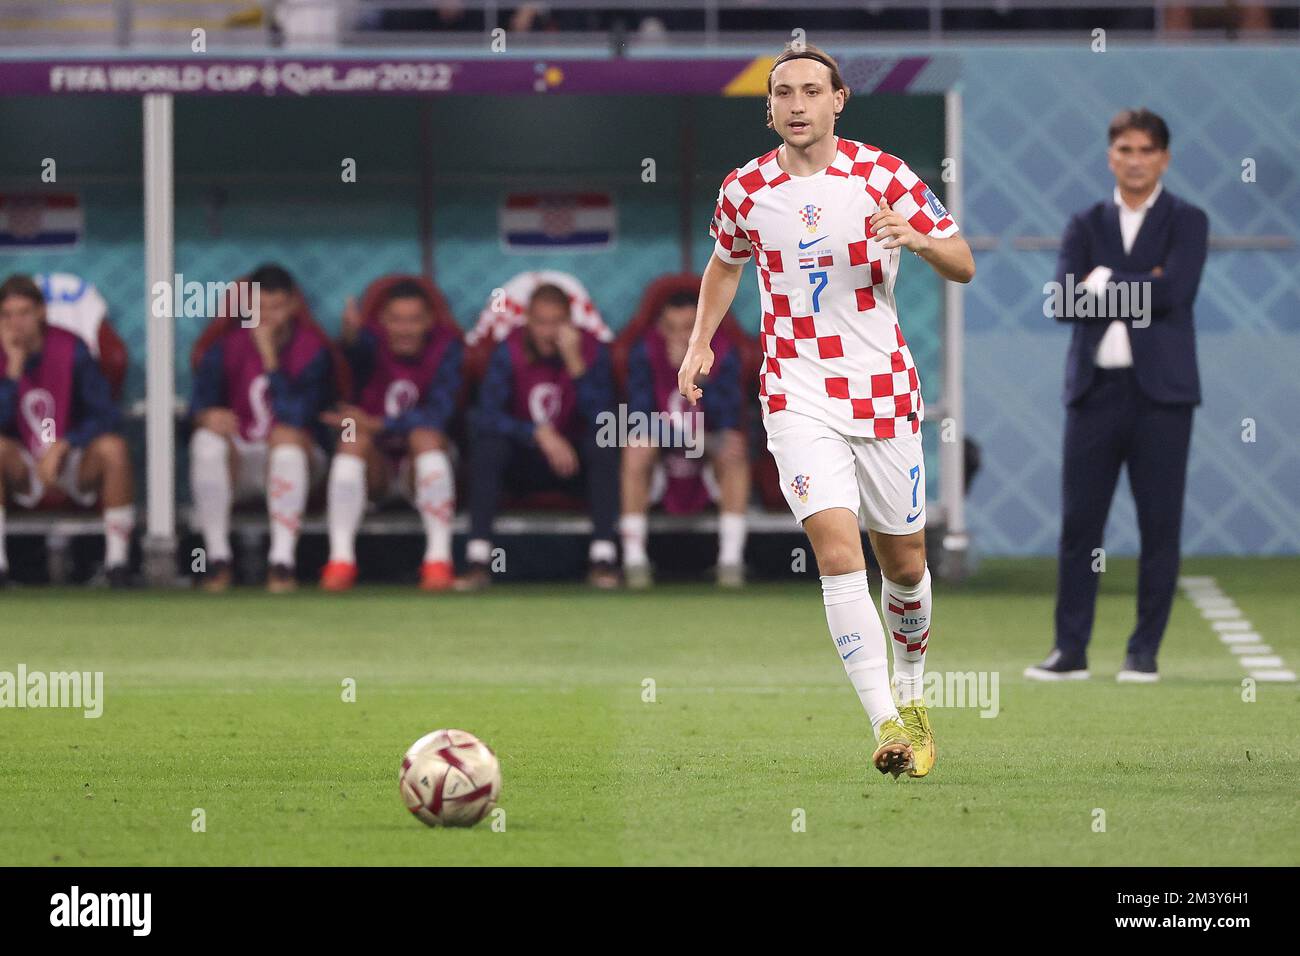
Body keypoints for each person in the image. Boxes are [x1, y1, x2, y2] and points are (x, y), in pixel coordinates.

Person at [677, 43, 974, 778]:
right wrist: (699, 344)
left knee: (903, 565)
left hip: (882, 391)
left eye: (813, 90)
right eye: (785, 93)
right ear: (770, 107)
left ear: (839, 99)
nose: (799, 103)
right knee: (838, 555)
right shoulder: (744, 190)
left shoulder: (884, 175)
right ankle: (884, 724)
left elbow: (963, 260)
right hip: (796, 393)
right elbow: (724, 262)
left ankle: (912, 694)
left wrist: (916, 239)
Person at [1027, 109, 1208, 683]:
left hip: (1162, 398)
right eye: (1125, 149)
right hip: (1094, 394)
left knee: (1160, 527)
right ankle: (1070, 652)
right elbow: (1061, 303)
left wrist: (1101, 284)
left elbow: (1174, 293)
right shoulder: (1085, 223)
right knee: (1081, 527)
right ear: (1111, 156)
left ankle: (1143, 653)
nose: (1135, 160)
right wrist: (1141, 284)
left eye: (1146, 150)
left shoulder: (1188, 220)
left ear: (1164, 158)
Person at [459, 283, 619, 589]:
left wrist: (576, 365)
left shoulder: (590, 349)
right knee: (489, 447)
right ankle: (478, 560)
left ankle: (603, 559)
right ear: (527, 321)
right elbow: (484, 416)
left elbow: (604, 418)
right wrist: (536, 433)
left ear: (570, 322)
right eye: (541, 323)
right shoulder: (508, 350)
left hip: (573, 464)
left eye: (557, 323)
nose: (548, 332)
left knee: (604, 445)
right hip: (524, 460)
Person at [189, 264, 333, 593]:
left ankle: (282, 563)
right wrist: (205, 417)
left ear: (294, 306)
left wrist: (270, 359)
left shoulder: (313, 351)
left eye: (277, 307)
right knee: (206, 441)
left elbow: (297, 417)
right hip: (241, 458)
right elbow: (196, 410)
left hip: (301, 463)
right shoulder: (224, 347)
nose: (267, 317)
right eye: (259, 308)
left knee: (285, 440)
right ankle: (216, 559)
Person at [318, 280, 462, 591]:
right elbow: (353, 353)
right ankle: (340, 561)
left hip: (419, 465)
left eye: (414, 320)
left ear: (428, 322)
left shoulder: (447, 348)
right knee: (352, 435)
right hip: (376, 469)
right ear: (382, 322)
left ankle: (438, 561)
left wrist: (378, 423)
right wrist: (349, 337)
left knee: (425, 435)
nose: (405, 329)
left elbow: (439, 414)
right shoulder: (368, 344)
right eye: (396, 320)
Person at [0, 274, 135, 587]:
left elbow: (106, 415)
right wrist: (13, 370)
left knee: (113, 448)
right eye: (6, 315)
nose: (15, 323)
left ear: (41, 313)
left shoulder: (71, 348)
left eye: (23, 313)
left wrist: (64, 444)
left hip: (70, 460)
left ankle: (117, 565)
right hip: (20, 466)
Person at [620, 288, 750, 588]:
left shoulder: (724, 352)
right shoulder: (644, 352)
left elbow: (731, 418)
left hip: (710, 452)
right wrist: (688, 440)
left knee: (734, 449)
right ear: (659, 329)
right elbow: (637, 418)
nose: (680, 338)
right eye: (672, 329)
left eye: (688, 329)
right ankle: (634, 561)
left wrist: (701, 380)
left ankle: (731, 562)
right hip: (663, 453)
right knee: (635, 447)